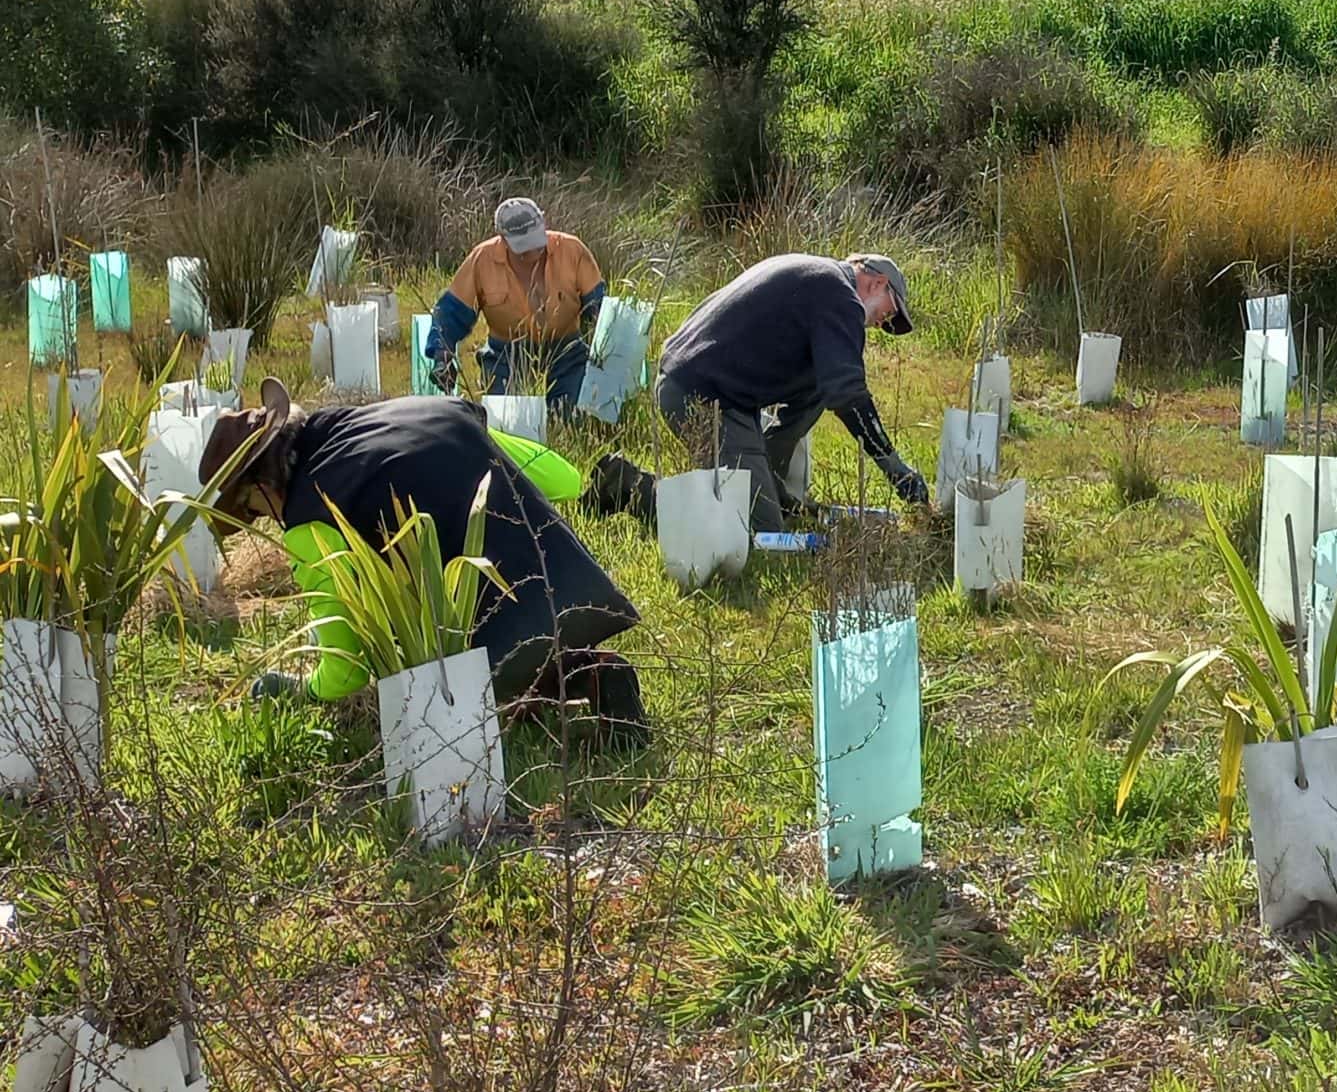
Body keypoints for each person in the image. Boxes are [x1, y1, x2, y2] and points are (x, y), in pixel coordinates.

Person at [198, 378, 648, 742]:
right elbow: (563, 478)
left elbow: (347, 668)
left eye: (253, 509)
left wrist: (302, 690)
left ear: (261, 485)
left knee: (442, 668)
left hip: (497, 629)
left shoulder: (311, 520)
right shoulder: (424, 409)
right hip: (573, 581)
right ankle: (593, 672)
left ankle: (552, 685)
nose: (265, 520)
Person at [639, 252, 928, 532]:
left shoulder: (818, 277)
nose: (881, 323)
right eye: (888, 312)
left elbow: (826, 388)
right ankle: (630, 489)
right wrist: (896, 469)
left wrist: (775, 489)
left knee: (774, 511)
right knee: (759, 531)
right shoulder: (840, 297)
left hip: (698, 385)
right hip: (702, 397)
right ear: (877, 283)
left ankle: (770, 489)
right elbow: (848, 396)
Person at [425, 197, 605, 413]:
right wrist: (441, 358)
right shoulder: (482, 261)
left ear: (544, 223)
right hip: (506, 357)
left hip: (567, 353)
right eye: (523, 247)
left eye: (536, 242)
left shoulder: (572, 251)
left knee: (570, 416)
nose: (532, 253)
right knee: (506, 423)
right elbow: (450, 313)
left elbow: (599, 310)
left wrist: (602, 356)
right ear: (503, 239)